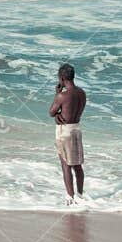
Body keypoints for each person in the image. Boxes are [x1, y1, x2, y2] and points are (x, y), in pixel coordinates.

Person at [49, 63, 87, 203]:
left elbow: (52, 112)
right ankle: (80, 195)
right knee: (77, 166)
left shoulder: (62, 96)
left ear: (62, 78)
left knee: (65, 165)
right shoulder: (82, 93)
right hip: (76, 129)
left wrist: (57, 94)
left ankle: (70, 198)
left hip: (65, 131)